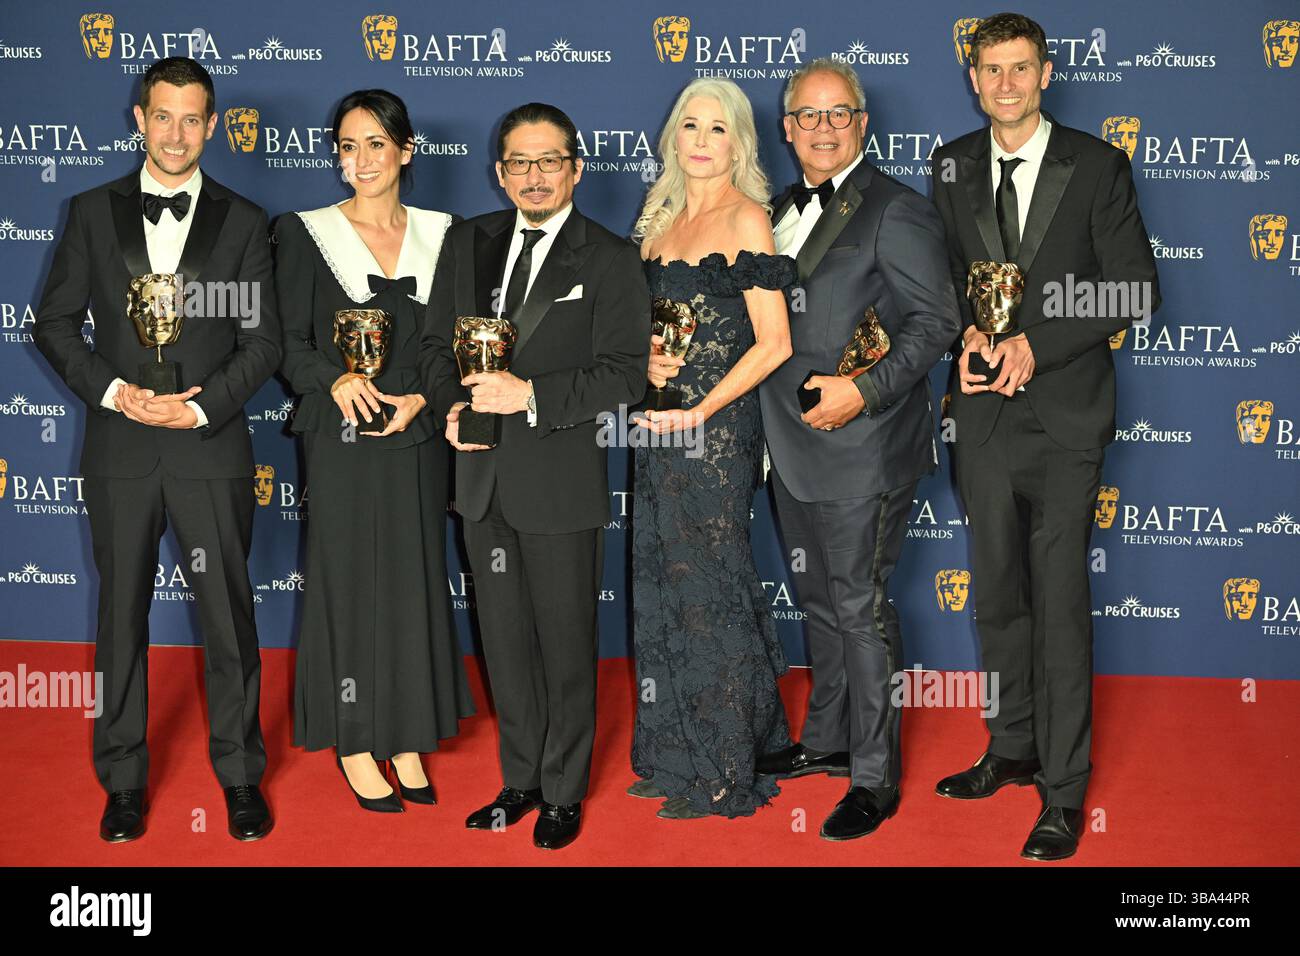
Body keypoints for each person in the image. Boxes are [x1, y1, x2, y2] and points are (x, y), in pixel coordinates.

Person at [33, 57, 281, 843]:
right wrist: (116, 394)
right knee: (119, 621)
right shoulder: (89, 211)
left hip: (210, 449)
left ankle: (241, 774)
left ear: (213, 126)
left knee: (230, 620)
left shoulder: (245, 220)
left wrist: (203, 406)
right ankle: (123, 778)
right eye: (162, 115)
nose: (176, 133)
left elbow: (264, 339)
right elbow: (55, 322)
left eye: (192, 118)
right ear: (138, 118)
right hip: (121, 447)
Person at [931, 12, 1159, 860]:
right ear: (973, 77)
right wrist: (969, 337)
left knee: (1059, 605)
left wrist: (1037, 339)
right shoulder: (949, 165)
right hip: (982, 417)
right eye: (990, 69)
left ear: (1046, 73)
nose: (1004, 83)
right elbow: (946, 283)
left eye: (1019, 68)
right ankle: (1012, 746)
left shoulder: (1096, 164)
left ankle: (1064, 791)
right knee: (997, 598)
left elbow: (1135, 291)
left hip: (1064, 422)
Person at [421, 103, 650, 850]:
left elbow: (625, 374)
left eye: (549, 160)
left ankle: (563, 789)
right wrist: (455, 405)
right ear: (500, 172)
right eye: (519, 162)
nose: (534, 175)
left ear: (577, 168)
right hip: (481, 476)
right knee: (505, 644)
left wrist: (532, 397)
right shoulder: (468, 241)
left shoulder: (610, 257)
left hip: (559, 481)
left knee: (564, 643)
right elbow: (434, 346)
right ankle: (519, 779)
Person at [753, 58, 961, 841]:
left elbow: (935, 322)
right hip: (787, 448)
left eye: (838, 114)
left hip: (864, 447)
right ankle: (828, 741)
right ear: (787, 128)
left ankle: (874, 778)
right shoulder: (772, 210)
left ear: (862, 124)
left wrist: (862, 393)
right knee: (819, 603)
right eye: (807, 115)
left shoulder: (896, 209)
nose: (822, 128)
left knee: (860, 608)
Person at [275, 89, 474, 813]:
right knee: (348, 577)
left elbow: (451, 340)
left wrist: (422, 397)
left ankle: (410, 731)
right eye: (347, 146)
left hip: (415, 431)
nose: (359, 160)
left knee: (415, 575)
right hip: (342, 434)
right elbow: (287, 345)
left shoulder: (446, 234)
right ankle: (356, 737)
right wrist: (335, 383)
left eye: (375, 145)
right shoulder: (303, 233)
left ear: (406, 150)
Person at [629, 77, 795, 820]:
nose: (700, 139)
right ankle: (675, 750)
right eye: (689, 125)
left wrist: (701, 406)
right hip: (658, 429)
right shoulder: (657, 224)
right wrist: (650, 367)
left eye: (717, 128)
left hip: (717, 435)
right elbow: (654, 334)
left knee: (713, 587)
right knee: (663, 582)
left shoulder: (748, 219)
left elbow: (775, 343)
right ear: (673, 137)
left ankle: (726, 759)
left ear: (739, 142)